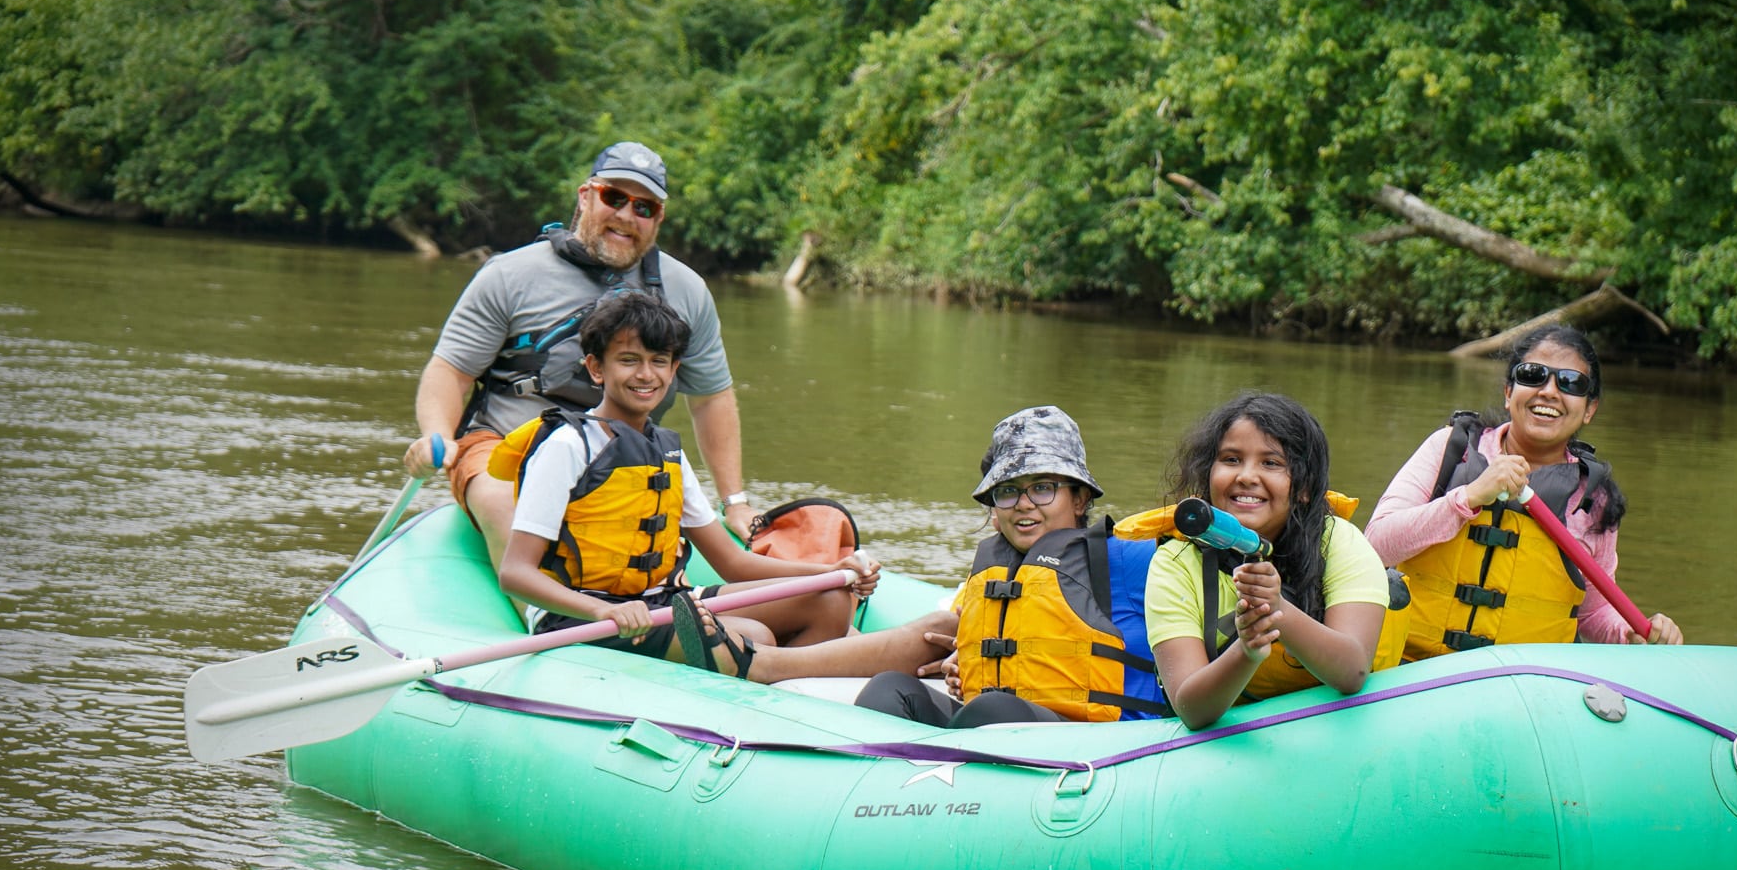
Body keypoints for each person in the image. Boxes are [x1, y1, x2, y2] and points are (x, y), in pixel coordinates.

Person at [678, 406, 1166, 729]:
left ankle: (761, 663)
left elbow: (1202, 606)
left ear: (1079, 498)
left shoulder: (1126, 558)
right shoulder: (995, 573)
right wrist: (969, 658)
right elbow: (957, 639)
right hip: (995, 720)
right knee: (891, 690)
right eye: (1008, 491)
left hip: (1091, 743)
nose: (1024, 505)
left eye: (1043, 488)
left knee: (991, 708)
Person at [404, 142, 761, 577]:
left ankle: (650, 617)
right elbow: (451, 372)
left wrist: (735, 503)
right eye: (614, 198)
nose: (627, 215)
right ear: (585, 196)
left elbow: (710, 399)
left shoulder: (688, 291)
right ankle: (545, 617)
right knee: (504, 500)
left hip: (627, 455)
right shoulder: (509, 275)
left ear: (658, 218)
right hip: (505, 448)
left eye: (644, 207)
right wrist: (436, 438)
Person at [491, 291, 875, 666]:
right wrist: (600, 610)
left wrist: (832, 573)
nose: (645, 375)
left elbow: (733, 564)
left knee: (831, 598)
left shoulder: (666, 451)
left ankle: (786, 694)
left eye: (659, 361)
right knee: (754, 636)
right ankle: (762, 677)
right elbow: (515, 573)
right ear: (596, 368)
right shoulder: (569, 446)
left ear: (674, 370)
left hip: (662, 601)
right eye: (628, 360)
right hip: (583, 617)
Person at [1364, 325, 1683, 659]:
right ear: (1508, 392)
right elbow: (1376, 546)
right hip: (1413, 668)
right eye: (1533, 375)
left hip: (1526, 686)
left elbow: (1592, 613)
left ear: (1589, 409)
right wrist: (1468, 497)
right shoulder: (1450, 448)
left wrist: (1630, 633)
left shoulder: (1593, 499)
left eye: (1571, 383)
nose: (1548, 391)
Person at [1146, 392, 1391, 731]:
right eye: (1231, 459)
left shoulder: (1339, 542)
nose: (1246, 476)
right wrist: (1247, 650)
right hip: (1221, 737)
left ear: (1304, 486)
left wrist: (1275, 610)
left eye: (1271, 463)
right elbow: (1190, 709)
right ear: (1207, 473)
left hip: (1334, 728)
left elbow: (1353, 672)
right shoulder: (1175, 561)